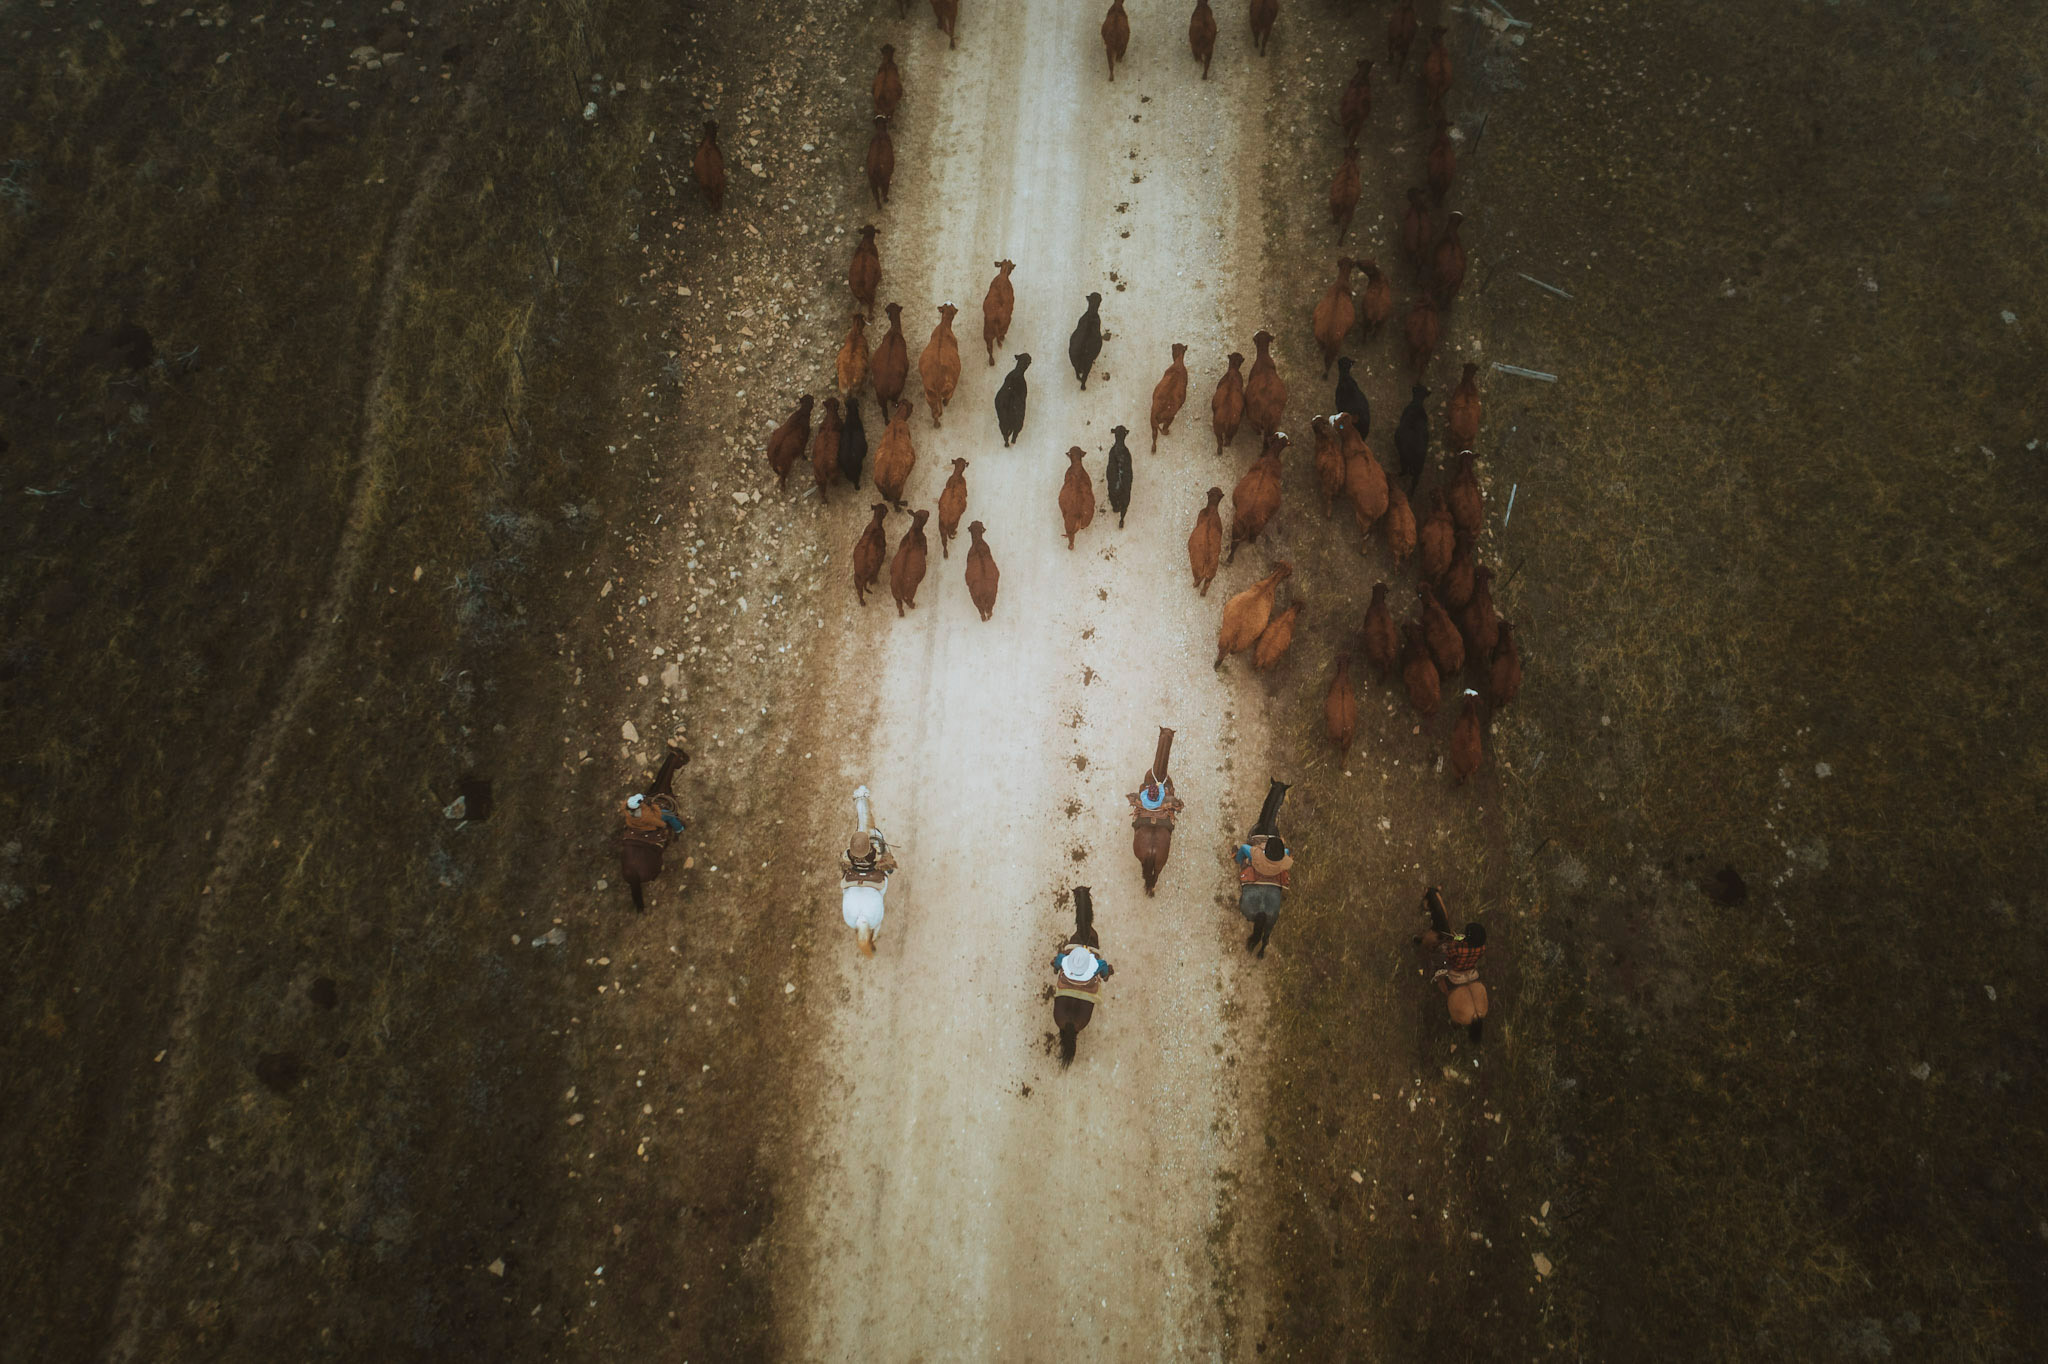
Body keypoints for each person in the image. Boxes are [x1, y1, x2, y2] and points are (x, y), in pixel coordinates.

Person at [1416, 886, 1488, 1042]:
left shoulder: (1461, 947)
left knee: (1438, 957)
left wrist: (1452, 943)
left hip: (1457, 966)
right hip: (1469, 968)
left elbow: (1450, 953)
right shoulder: (1481, 947)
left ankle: (1429, 971)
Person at [1235, 833, 1294, 957]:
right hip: (1276, 870)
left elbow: (1245, 849)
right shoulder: (1285, 855)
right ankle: (1263, 947)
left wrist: (1240, 860)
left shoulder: (1256, 853)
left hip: (1259, 864)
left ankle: (1235, 858)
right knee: (1271, 920)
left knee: (1242, 853)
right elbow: (1287, 852)